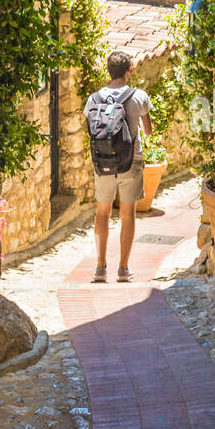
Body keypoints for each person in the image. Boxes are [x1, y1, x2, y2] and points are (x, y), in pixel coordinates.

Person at [84, 51, 152, 282]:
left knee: (102, 213)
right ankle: (123, 268)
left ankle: (100, 267)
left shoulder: (94, 99)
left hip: (103, 161)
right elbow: (148, 130)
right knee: (127, 214)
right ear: (128, 71)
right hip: (130, 162)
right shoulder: (138, 96)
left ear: (108, 72)